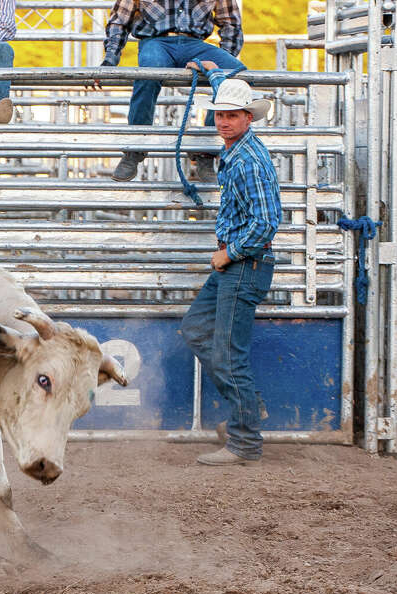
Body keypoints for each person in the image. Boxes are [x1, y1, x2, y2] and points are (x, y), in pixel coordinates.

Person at [180, 65, 279, 466]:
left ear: (248, 118)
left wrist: (229, 253)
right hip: (236, 264)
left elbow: (267, 222)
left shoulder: (249, 161)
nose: (223, 121)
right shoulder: (237, 149)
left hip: (243, 263)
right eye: (219, 114)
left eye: (232, 115)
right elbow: (226, 93)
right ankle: (248, 410)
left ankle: (245, 442)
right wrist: (211, 72)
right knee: (196, 330)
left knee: (227, 350)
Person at [99, 0, 244, 183]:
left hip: (195, 44)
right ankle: (135, 148)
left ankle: (206, 150)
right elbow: (120, 20)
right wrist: (110, 59)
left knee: (233, 74)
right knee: (148, 75)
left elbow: (230, 21)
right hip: (156, 42)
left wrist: (224, 57)